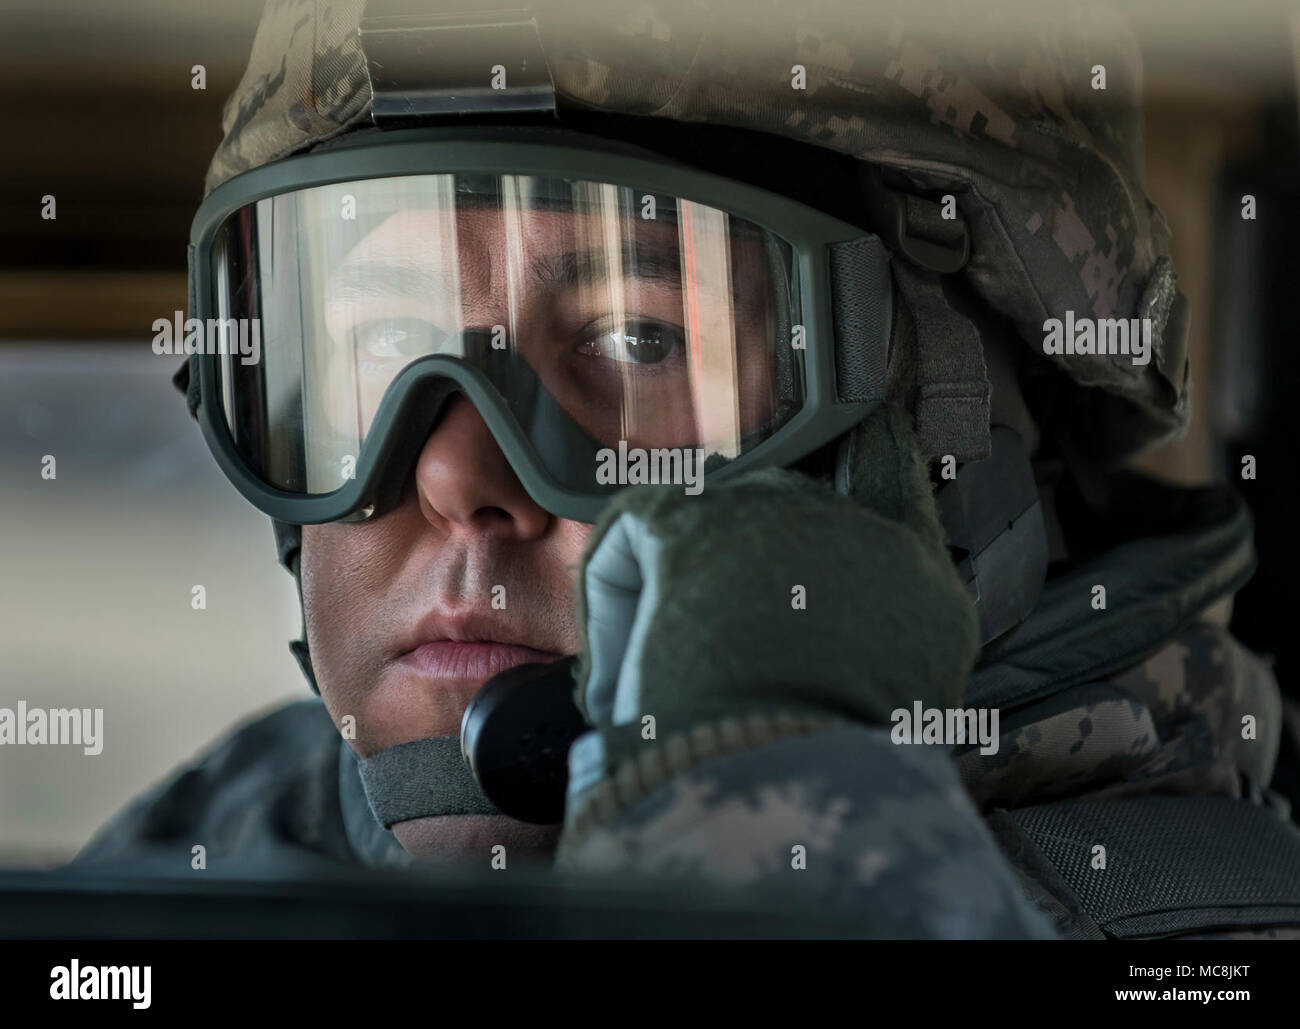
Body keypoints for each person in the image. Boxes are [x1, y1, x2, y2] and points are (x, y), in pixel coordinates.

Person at [74, 0, 1300, 939]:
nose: (453, 478)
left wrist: (771, 811)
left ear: (955, 443)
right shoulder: (217, 839)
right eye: (385, 349)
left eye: (636, 340)